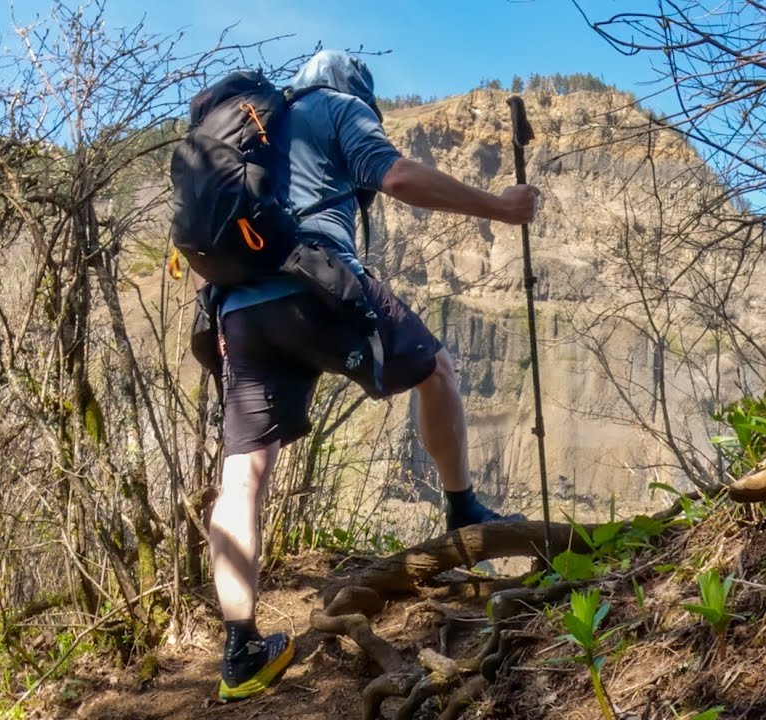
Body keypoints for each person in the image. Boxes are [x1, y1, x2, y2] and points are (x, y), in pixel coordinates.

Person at [204, 50, 540, 702]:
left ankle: (240, 654)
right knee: (436, 371)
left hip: (238, 309)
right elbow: (399, 178)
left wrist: (222, 312)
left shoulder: (250, 132)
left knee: (243, 473)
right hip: (319, 286)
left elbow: (213, 226)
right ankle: (461, 510)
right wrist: (501, 208)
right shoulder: (337, 108)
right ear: (353, 89)